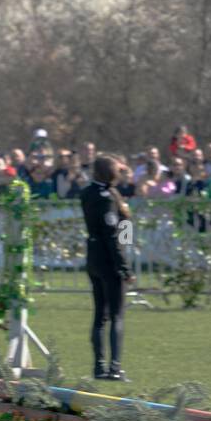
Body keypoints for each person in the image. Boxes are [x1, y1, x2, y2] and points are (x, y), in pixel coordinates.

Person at [81, 155, 134, 381]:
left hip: (93, 257)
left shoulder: (88, 192)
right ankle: (115, 367)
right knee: (116, 315)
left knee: (99, 316)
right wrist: (125, 268)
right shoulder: (107, 198)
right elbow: (113, 236)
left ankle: (99, 366)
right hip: (108, 259)